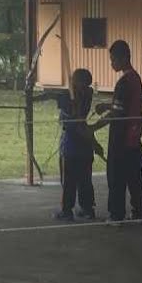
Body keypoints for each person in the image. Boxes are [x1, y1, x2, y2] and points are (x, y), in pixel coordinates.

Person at [93, 39, 142, 224]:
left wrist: (94, 127)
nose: (112, 63)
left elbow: (117, 113)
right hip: (133, 134)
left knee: (116, 176)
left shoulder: (124, 81)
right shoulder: (135, 78)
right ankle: (139, 212)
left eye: (113, 59)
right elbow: (125, 105)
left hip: (121, 135)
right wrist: (107, 104)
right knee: (134, 175)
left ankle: (116, 215)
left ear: (124, 57)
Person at [38, 68, 102, 220]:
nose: (71, 83)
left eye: (74, 80)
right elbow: (53, 95)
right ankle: (87, 209)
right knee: (84, 178)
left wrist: (34, 98)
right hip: (84, 144)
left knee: (69, 179)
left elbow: (53, 96)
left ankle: (67, 210)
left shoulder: (73, 97)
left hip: (72, 144)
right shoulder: (85, 94)